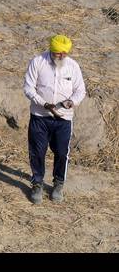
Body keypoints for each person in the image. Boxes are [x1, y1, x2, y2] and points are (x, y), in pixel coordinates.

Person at [22, 34, 86, 204]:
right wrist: (43, 104)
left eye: (64, 54)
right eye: (58, 54)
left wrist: (72, 102)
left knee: (62, 152)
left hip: (63, 119)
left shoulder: (73, 66)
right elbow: (28, 87)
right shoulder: (38, 62)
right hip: (40, 117)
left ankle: (58, 184)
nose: (62, 56)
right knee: (37, 151)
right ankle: (37, 183)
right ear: (51, 50)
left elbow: (80, 90)